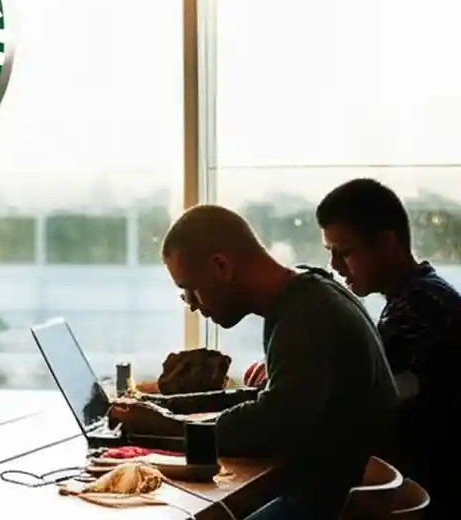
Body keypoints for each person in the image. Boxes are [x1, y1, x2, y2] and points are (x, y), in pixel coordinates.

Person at [111, 204, 397, 520]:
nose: (191, 305)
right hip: (336, 494)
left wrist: (167, 426)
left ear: (221, 266)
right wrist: (163, 407)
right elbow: (271, 402)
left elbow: (270, 426)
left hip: (325, 505)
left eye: (189, 289)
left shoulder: (304, 319)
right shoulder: (309, 293)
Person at [313, 178, 460, 518]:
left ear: (386, 243)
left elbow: (367, 400)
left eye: (345, 252)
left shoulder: (417, 313)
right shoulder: (426, 296)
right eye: (330, 253)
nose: (335, 266)